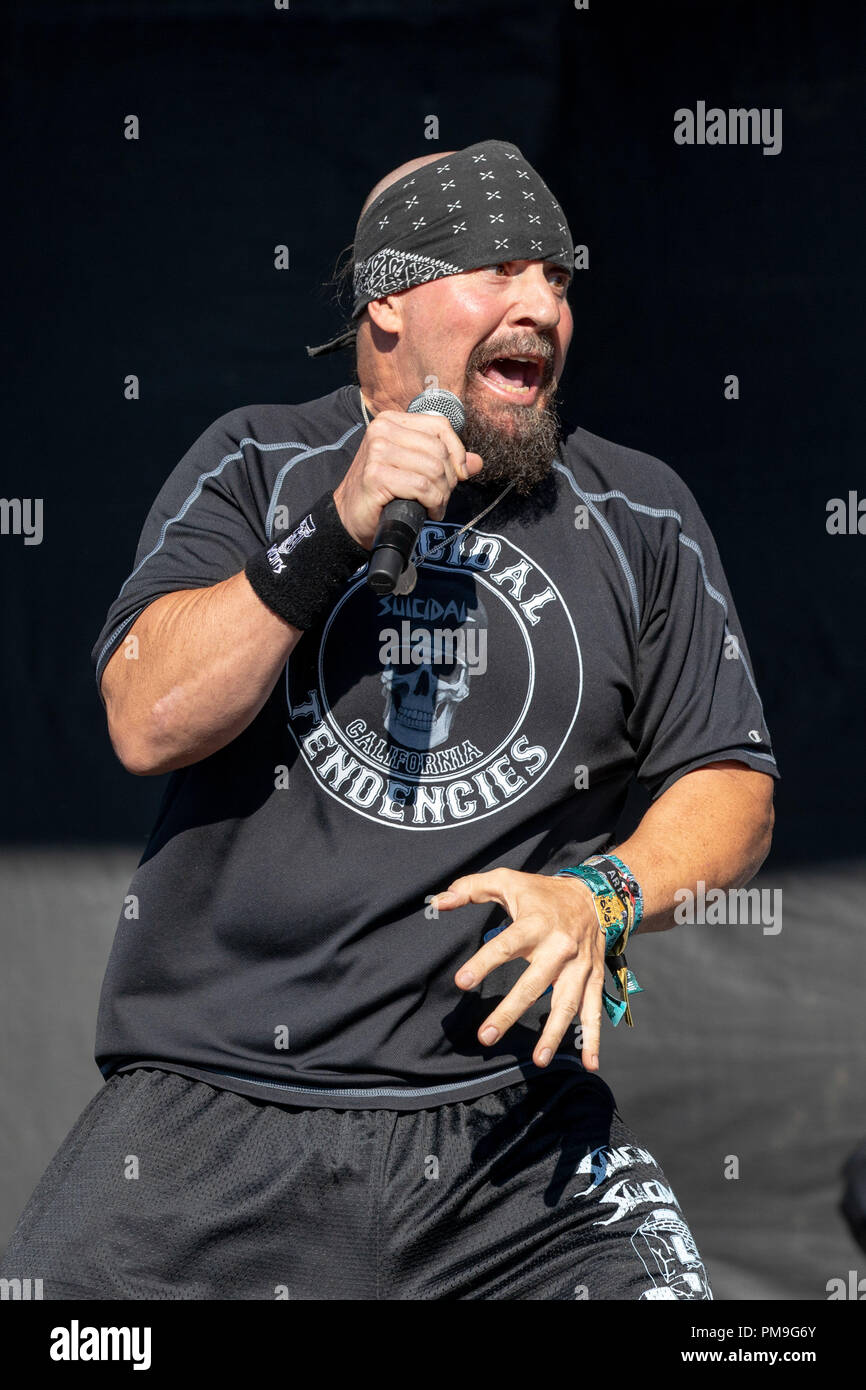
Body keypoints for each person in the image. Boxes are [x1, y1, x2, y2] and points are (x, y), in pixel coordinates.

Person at [0, 138, 777, 1300]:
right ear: (385, 305)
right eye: (498, 271)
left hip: (508, 1147)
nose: (540, 307)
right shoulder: (257, 462)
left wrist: (599, 894)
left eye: (555, 278)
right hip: (212, 1122)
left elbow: (732, 783)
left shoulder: (638, 513)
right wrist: (340, 521)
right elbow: (146, 716)